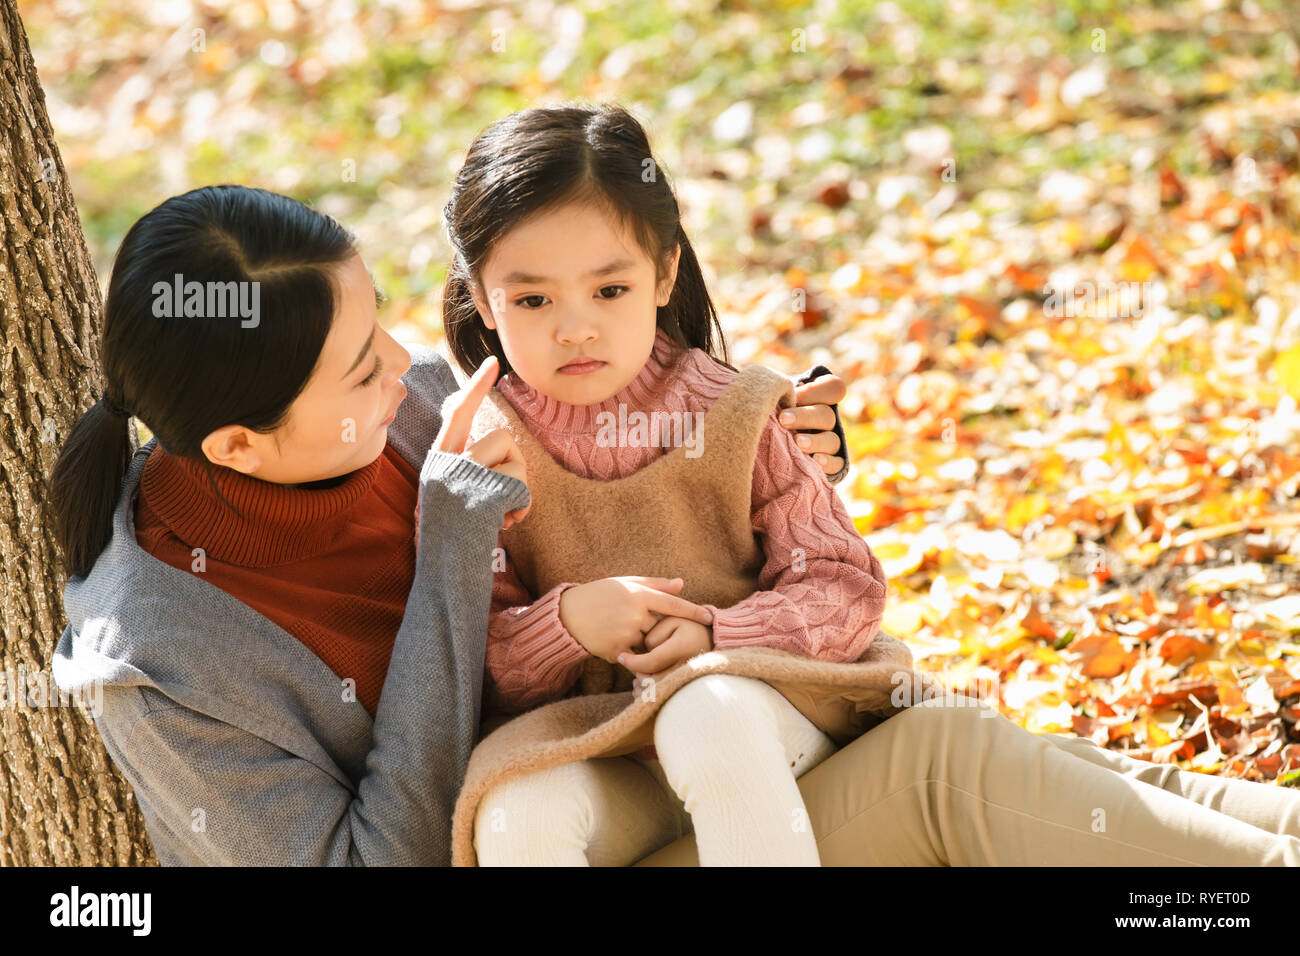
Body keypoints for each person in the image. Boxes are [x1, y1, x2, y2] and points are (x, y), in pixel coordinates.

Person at [439, 103, 1300, 867]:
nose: (576, 326)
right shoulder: (482, 451)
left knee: (709, 712)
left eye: (610, 287)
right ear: (482, 298)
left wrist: (714, 633)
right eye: (533, 301)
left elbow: (844, 590)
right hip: (603, 757)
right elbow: (467, 658)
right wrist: (566, 625)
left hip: (766, 718)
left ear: (663, 276)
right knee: (519, 810)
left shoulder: (740, 413)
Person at [46, 183, 851, 865]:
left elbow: (623, 439)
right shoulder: (160, 671)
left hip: (645, 773)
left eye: (380, 325)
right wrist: (452, 550)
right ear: (238, 447)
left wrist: (778, 439)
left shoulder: (419, 412)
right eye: (364, 366)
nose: (408, 363)